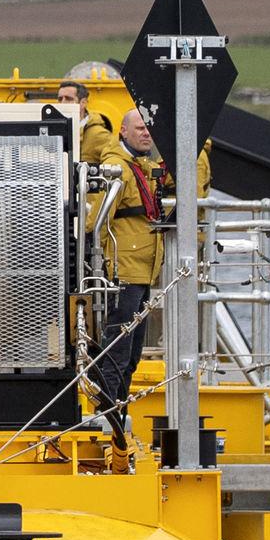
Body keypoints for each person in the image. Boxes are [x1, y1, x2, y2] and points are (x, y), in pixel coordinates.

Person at [79, 97, 207, 419]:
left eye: (150, 129)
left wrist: (188, 150)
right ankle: (108, 413)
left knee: (132, 352)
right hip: (125, 270)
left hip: (144, 270)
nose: (146, 134)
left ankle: (116, 408)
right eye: (140, 129)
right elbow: (93, 220)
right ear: (123, 131)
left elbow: (191, 187)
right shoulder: (118, 169)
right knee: (118, 348)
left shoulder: (144, 167)